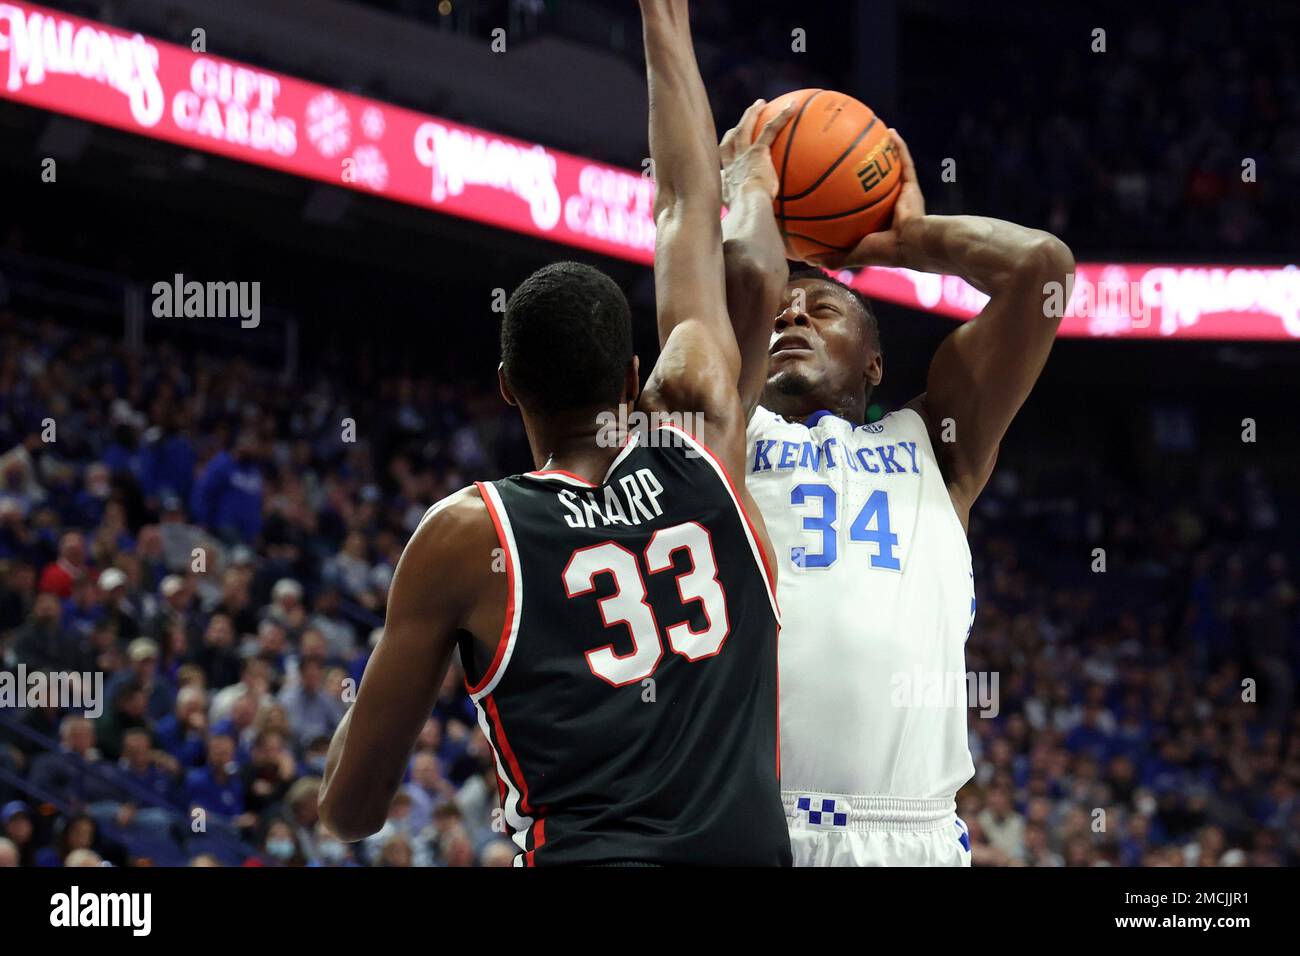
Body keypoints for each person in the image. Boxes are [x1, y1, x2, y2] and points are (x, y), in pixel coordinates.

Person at [320, 0, 791, 866]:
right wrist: (676, 43)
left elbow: (349, 812)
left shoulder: (468, 536)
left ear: (506, 389)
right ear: (628, 378)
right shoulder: (704, 443)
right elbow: (694, 218)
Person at [716, 103, 1074, 865]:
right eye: (779, 312)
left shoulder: (937, 442)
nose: (791, 319)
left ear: (875, 365)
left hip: (910, 832)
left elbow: (1041, 270)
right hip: (745, 823)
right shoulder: (724, 432)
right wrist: (744, 194)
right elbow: (739, 281)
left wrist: (906, 238)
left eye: (820, 307)